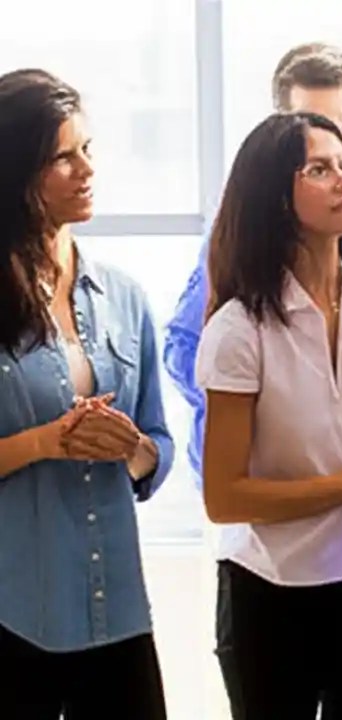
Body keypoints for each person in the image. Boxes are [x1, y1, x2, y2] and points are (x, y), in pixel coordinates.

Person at [194, 111, 342, 719]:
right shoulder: (238, 330)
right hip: (270, 593)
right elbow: (225, 498)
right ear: (276, 194)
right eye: (319, 169)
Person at [0, 68, 174, 718]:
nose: (86, 169)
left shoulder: (124, 295)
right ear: (17, 174)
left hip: (117, 612)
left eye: (89, 150)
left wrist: (132, 449)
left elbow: (157, 445)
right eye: (62, 157)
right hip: (13, 617)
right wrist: (48, 442)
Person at [164, 42, 342, 485]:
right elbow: (187, 349)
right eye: (319, 125)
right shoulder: (238, 238)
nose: (341, 144)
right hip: (263, 495)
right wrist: (269, 416)